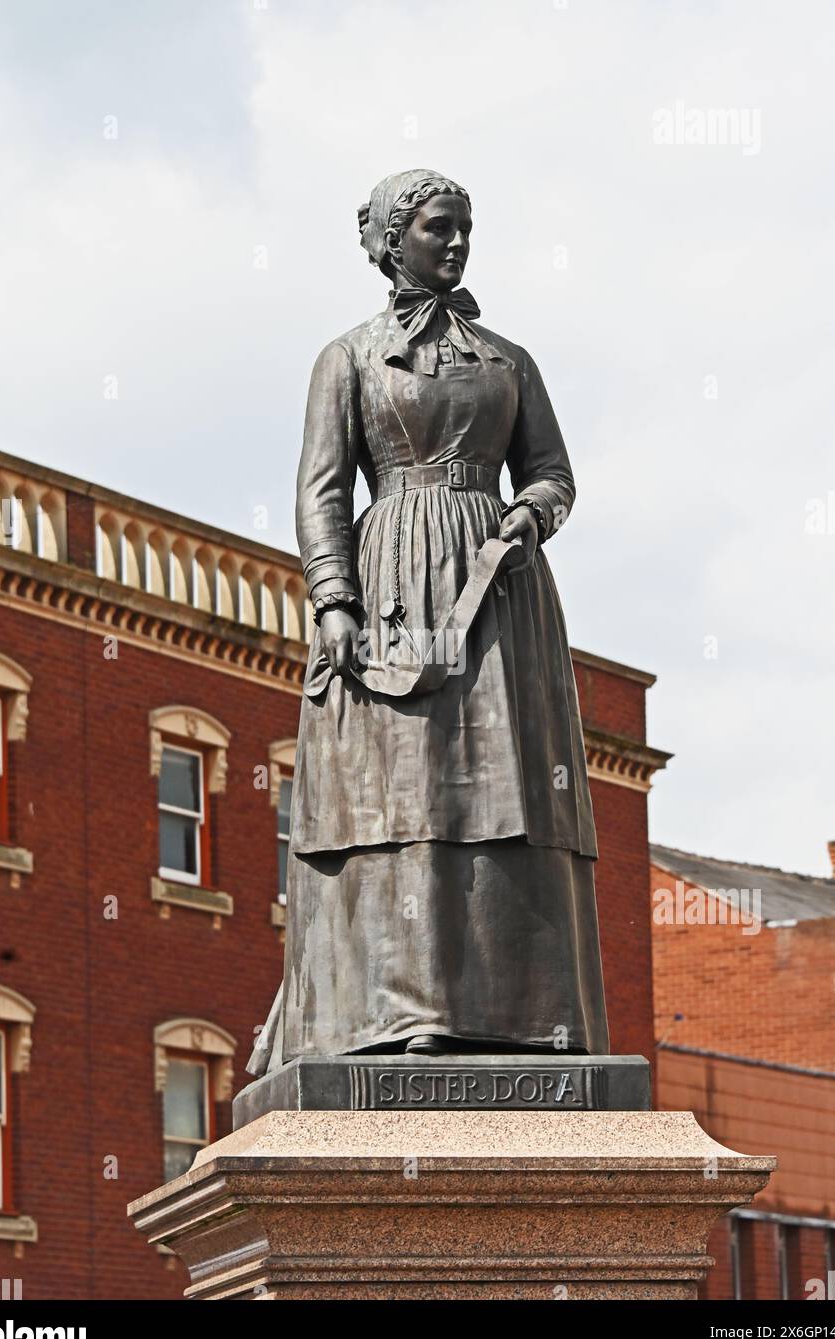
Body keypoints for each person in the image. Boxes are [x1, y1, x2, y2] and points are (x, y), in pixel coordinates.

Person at [249, 168, 608, 1076]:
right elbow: (321, 490)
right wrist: (332, 599)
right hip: (394, 576)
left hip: (501, 586)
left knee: (505, 783)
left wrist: (531, 511)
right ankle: (401, 1007)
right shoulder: (350, 357)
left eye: (465, 229)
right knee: (404, 786)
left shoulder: (507, 359)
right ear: (388, 241)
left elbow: (552, 472)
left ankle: (526, 1013)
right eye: (437, 228)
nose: (454, 243)